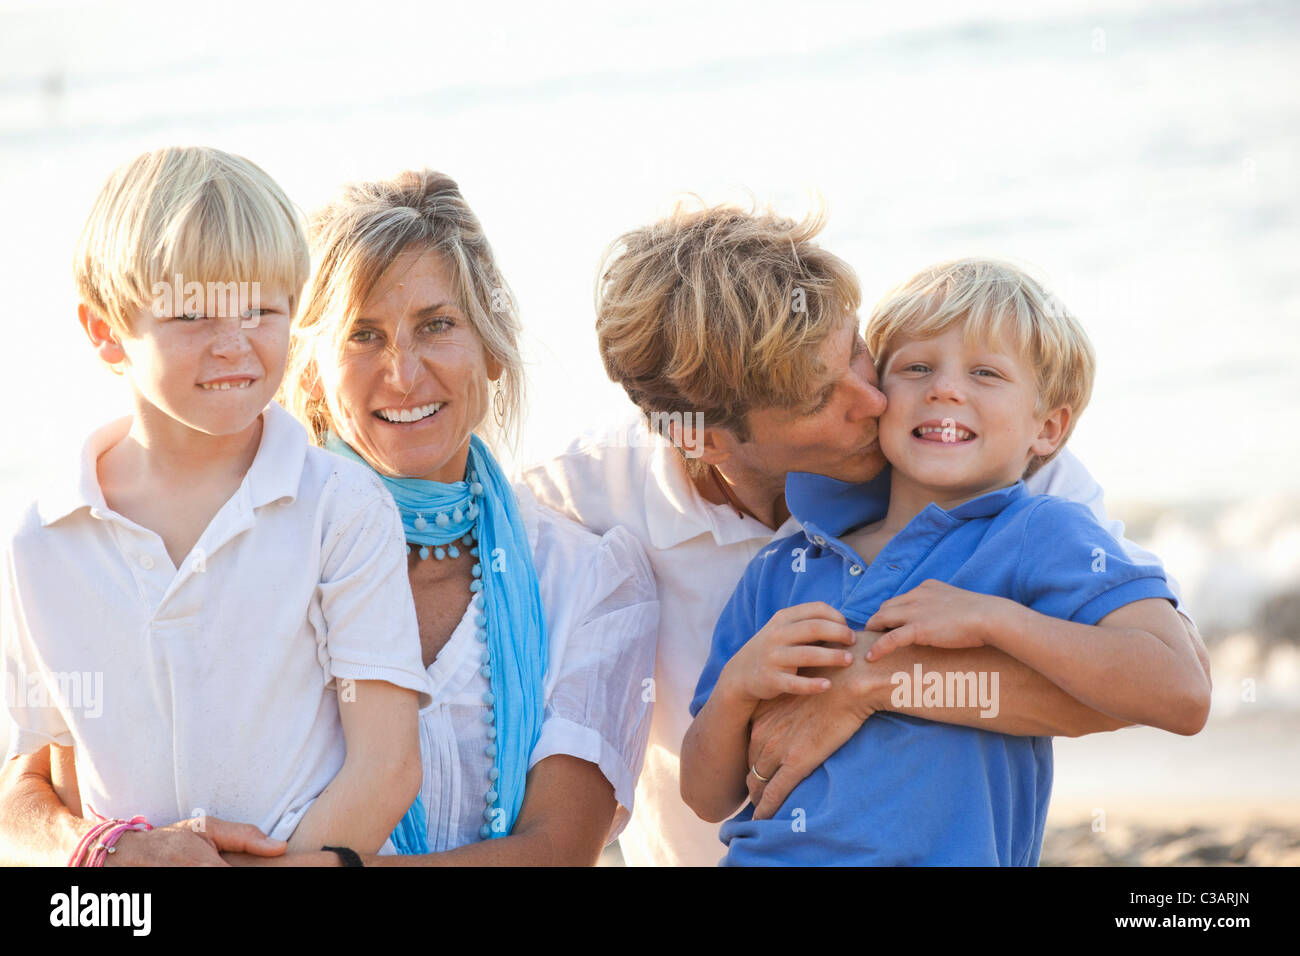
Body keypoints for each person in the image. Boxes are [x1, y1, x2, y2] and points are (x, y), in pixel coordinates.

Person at [521, 202, 1213, 866]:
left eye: (857, 352)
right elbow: (703, 788)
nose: (877, 396)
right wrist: (741, 688)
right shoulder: (597, 508)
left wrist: (879, 682)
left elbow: (1168, 686)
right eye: (822, 397)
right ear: (715, 444)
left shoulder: (1022, 484)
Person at [0, 146, 432, 866]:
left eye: (262, 309)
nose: (235, 346)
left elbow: (386, 766)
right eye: (193, 314)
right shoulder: (43, 540)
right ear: (107, 333)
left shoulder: (343, 509)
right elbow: (26, 788)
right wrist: (113, 857)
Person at [261, 169, 658, 864]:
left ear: (494, 349)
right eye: (364, 336)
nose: (405, 374)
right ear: (313, 372)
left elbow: (555, 852)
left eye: (437, 325)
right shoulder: (256, 559)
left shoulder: (587, 580)